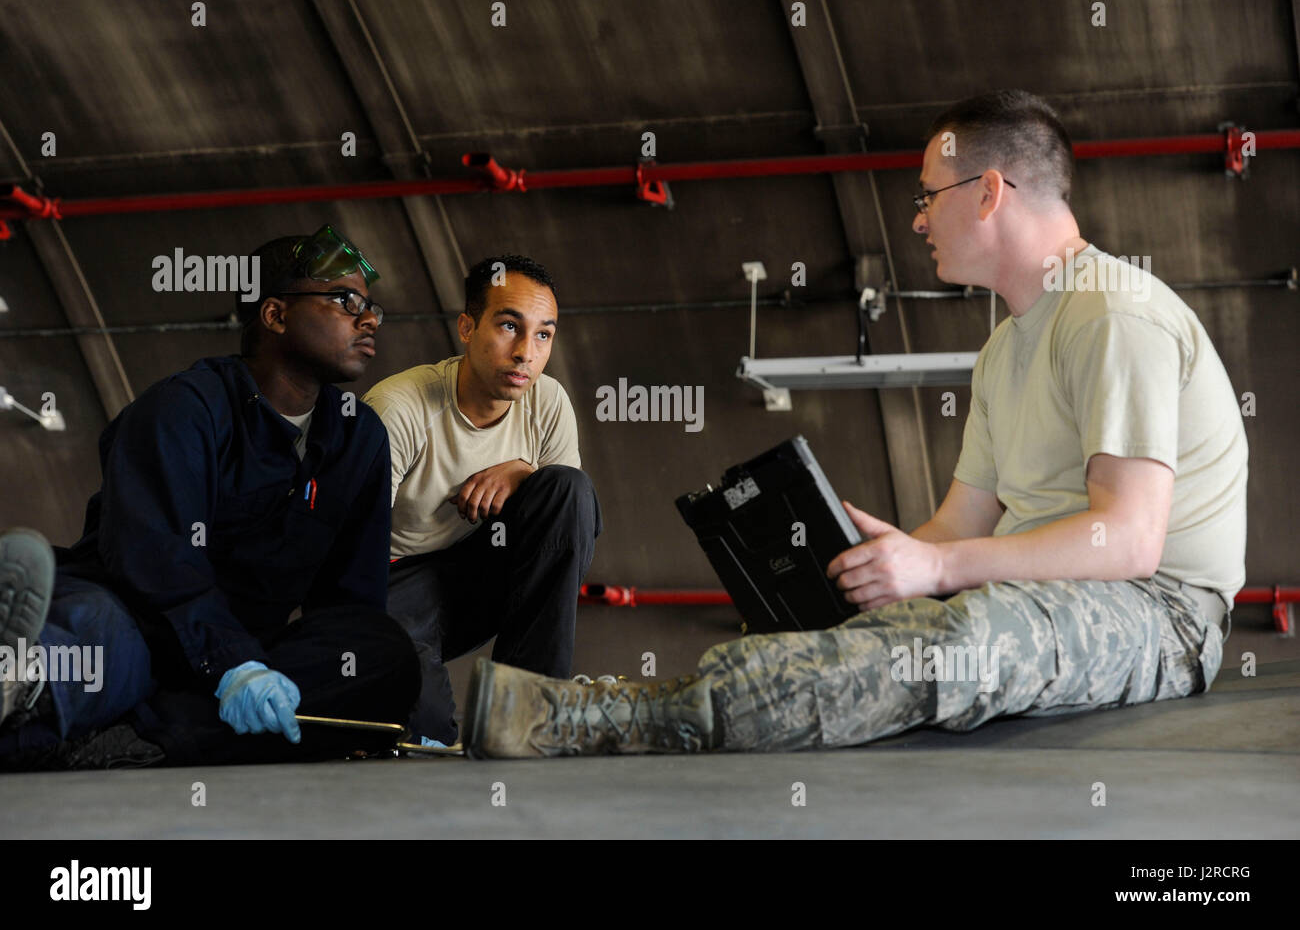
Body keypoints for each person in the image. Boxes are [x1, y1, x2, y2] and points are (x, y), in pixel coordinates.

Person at [460, 90, 1248, 758]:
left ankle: (616, 722)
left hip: (1162, 610)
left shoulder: (1113, 312)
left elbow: (1130, 541)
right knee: (870, 613)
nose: (917, 219)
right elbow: (960, 524)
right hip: (1040, 590)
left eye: (927, 195)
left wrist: (938, 573)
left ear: (990, 192)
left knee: (957, 637)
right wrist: (878, 556)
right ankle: (642, 698)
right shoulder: (1003, 350)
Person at [0, 225, 419, 769]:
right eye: (345, 301)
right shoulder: (182, 410)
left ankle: (122, 736)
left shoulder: (358, 437)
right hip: (146, 621)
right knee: (103, 634)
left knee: (378, 651)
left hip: (249, 658)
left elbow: (350, 602)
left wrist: (375, 704)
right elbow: (156, 563)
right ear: (275, 315)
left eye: (371, 308)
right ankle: (29, 682)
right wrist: (231, 663)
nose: (368, 320)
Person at [364, 254, 600, 747]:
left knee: (566, 488)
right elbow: (349, 553)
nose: (525, 353)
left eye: (543, 335)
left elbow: (569, 532)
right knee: (423, 739)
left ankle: (526, 715)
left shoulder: (548, 401)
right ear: (467, 327)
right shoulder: (399, 407)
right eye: (510, 326)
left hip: (482, 573)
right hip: (391, 588)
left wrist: (527, 473)